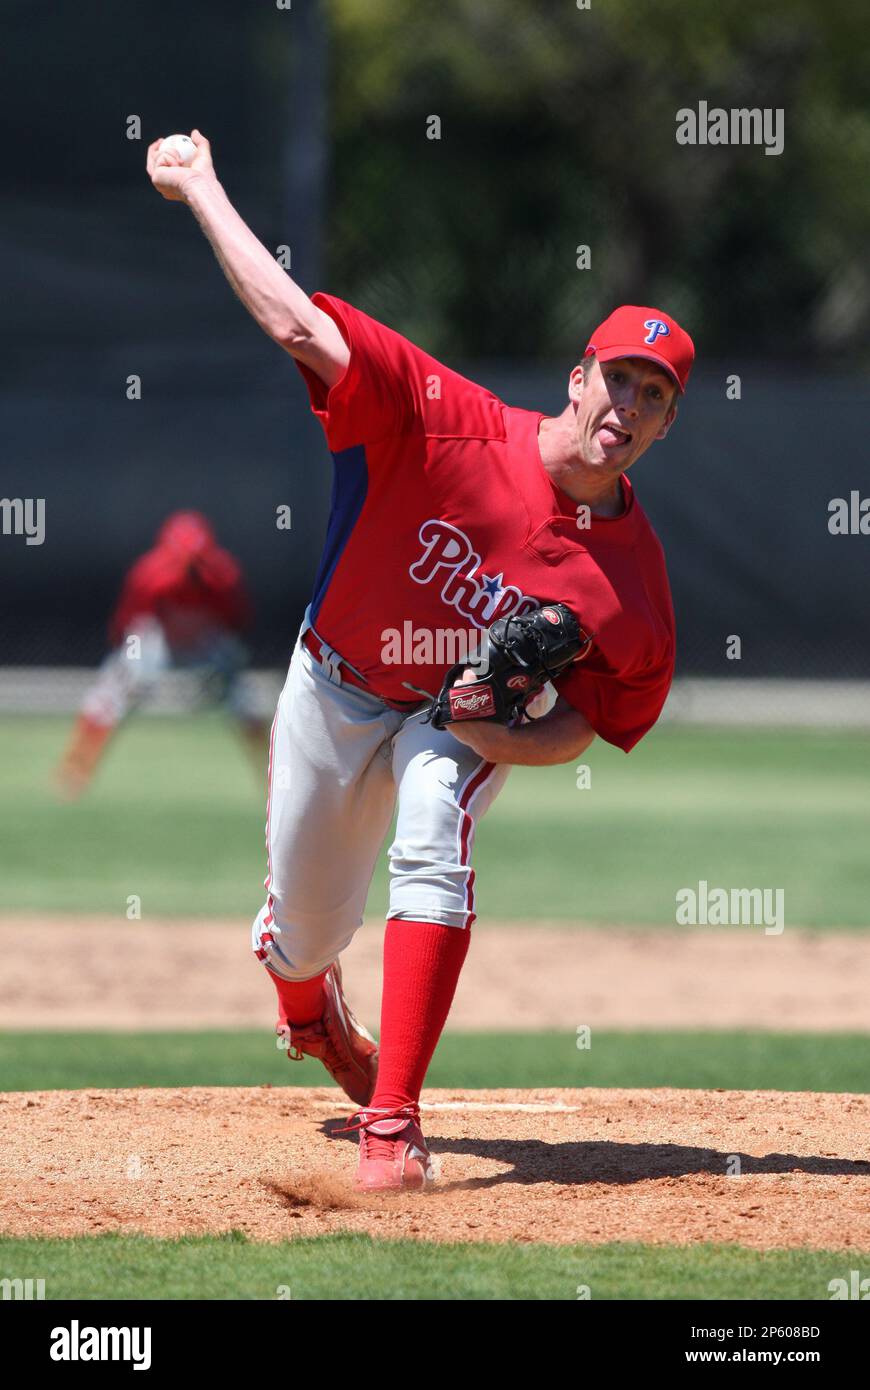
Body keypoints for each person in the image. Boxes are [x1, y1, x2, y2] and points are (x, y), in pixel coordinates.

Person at [146, 130, 694, 1192]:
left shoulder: (633, 587)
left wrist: (499, 732)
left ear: (668, 424)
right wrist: (202, 184)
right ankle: (312, 1009)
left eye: (655, 395)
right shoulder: (446, 421)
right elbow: (297, 321)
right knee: (300, 936)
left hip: (451, 713)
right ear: (577, 379)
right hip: (335, 676)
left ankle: (393, 1128)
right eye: (618, 379)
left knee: (436, 805)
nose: (627, 406)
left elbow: (592, 719)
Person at [56, 510, 263, 797]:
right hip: (159, 640)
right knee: (109, 691)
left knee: (246, 699)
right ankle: (75, 769)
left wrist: (225, 664)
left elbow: (237, 622)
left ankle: (273, 775)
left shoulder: (223, 575)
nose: (190, 567)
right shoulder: (150, 574)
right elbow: (127, 627)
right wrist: (128, 668)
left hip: (204, 642)